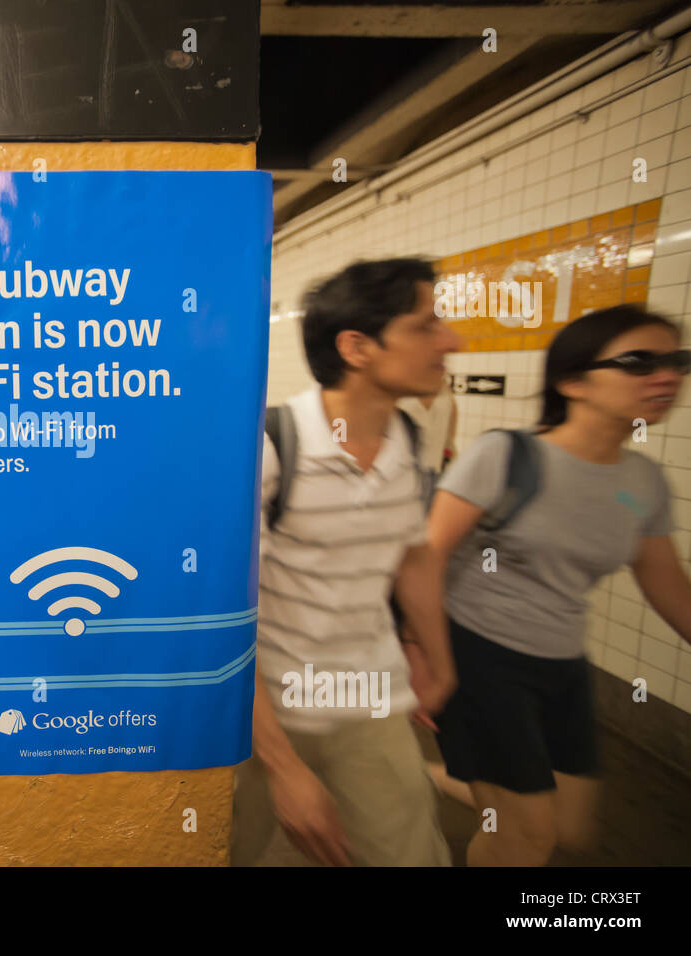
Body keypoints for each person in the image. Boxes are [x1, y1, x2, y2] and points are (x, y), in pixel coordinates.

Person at [424, 304, 691, 866]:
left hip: (561, 665)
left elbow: (670, 590)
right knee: (526, 839)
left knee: (570, 828)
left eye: (677, 361)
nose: (666, 375)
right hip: (480, 656)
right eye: (639, 362)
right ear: (572, 381)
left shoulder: (643, 481)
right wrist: (416, 653)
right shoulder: (506, 457)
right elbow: (425, 558)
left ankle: (440, 772)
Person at [234, 258, 462, 866]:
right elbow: (225, 618)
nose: (451, 341)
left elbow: (412, 556)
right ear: (357, 347)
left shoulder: (409, 442)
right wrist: (283, 767)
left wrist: (434, 655)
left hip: (373, 702)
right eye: (427, 325)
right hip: (270, 715)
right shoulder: (270, 448)